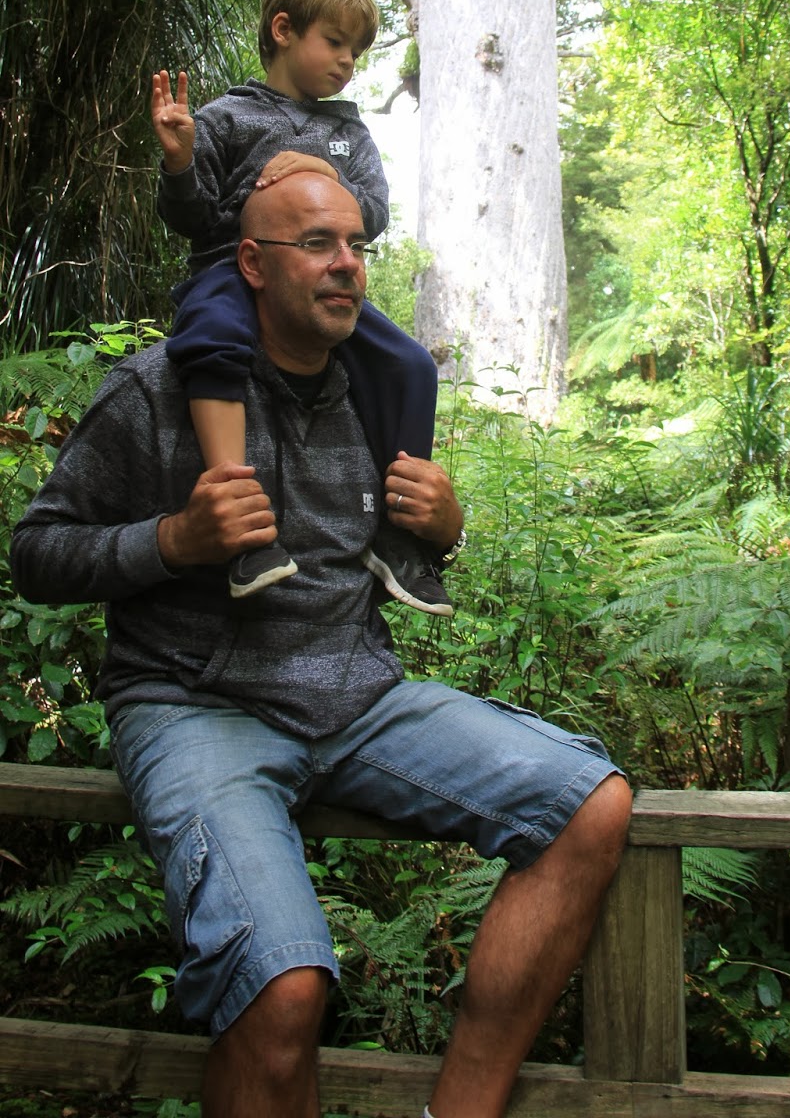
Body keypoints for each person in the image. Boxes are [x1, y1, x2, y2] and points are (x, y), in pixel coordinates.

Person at [11, 171, 632, 1118]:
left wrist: (448, 526)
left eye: (356, 244)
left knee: (588, 804)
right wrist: (173, 540)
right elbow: (38, 554)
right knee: (282, 987)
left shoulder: (374, 394)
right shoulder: (154, 390)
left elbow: (399, 549)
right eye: (317, 244)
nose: (347, 264)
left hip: (359, 698)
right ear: (252, 264)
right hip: (194, 706)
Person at [151, 0, 455, 615]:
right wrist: (179, 160)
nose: (348, 61)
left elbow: (372, 211)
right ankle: (243, 529)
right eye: (336, 41)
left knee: (409, 365)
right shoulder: (227, 119)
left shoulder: (349, 133)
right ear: (284, 30)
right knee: (209, 340)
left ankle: (399, 537)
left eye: (357, 50)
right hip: (228, 275)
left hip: (326, 290)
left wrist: (320, 170)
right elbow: (191, 217)